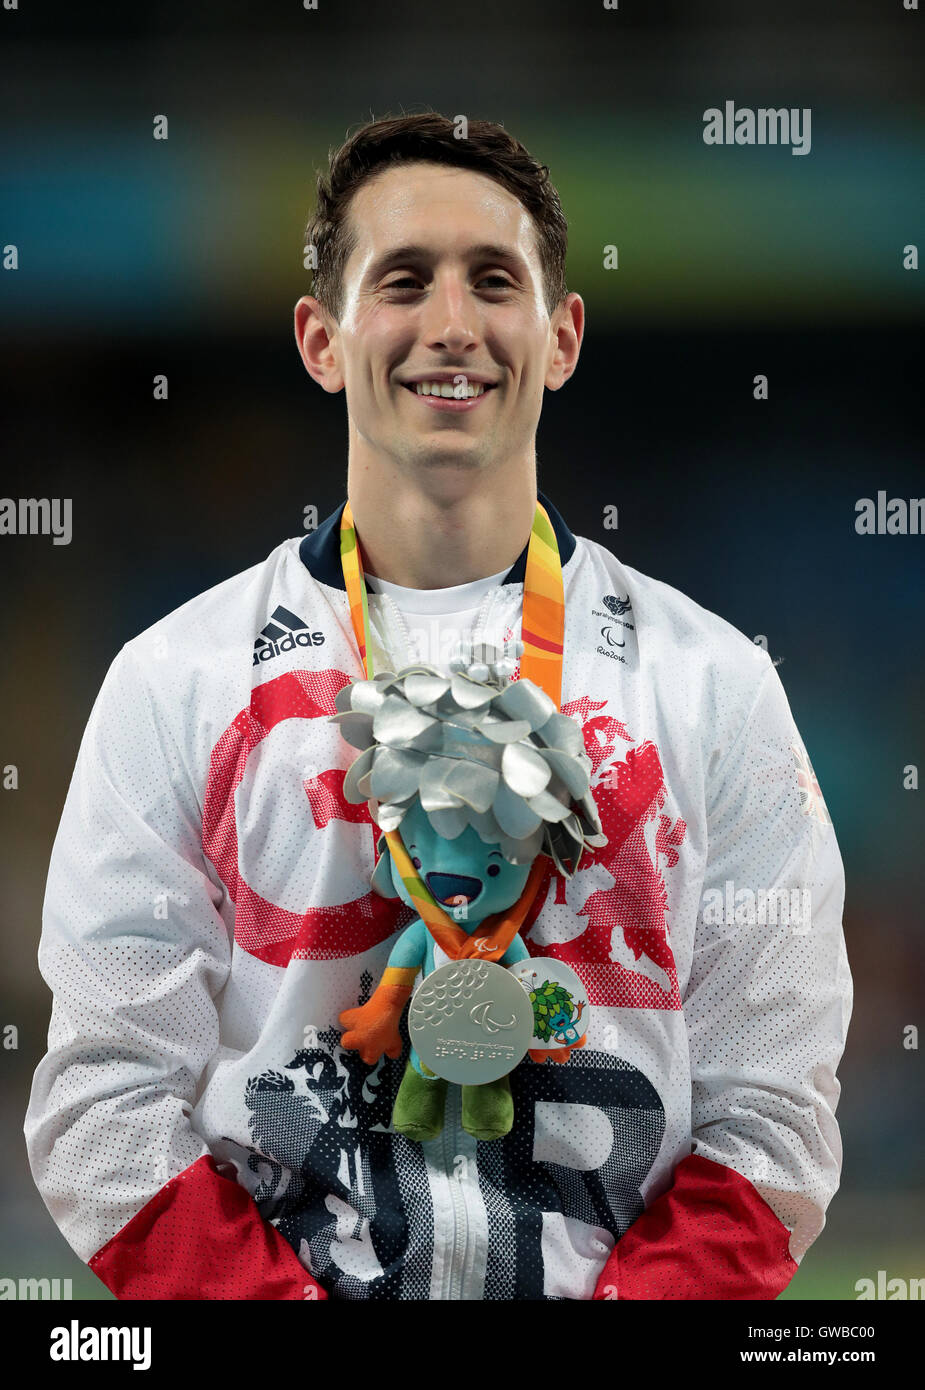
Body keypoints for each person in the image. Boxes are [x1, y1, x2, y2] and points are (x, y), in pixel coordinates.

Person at [24, 110, 852, 1301]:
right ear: (322, 338)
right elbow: (102, 1108)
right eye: (402, 280)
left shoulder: (713, 684)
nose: (452, 325)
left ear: (561, 337)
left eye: (494, 281)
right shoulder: (176, 680)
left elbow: (773, 1114)